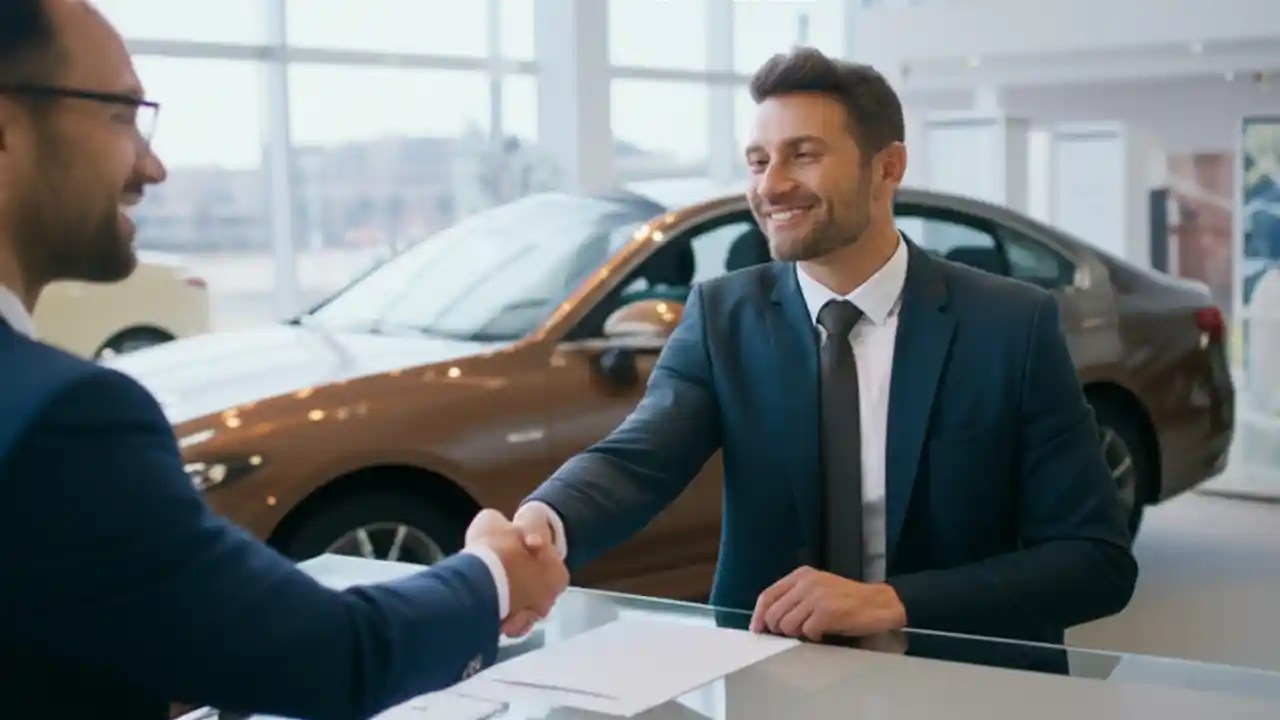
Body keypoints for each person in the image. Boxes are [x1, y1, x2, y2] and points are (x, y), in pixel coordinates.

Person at [0, 2, 568, 718]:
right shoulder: (65, 417)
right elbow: (333, 658)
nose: (152, 164)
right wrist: (497, 576)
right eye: (120, 114)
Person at [509, 47, 1137, 646]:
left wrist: (893, 602)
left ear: (887, 167)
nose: (771, 185)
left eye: (802, 155)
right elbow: (635, 461)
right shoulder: (723, 316)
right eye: (758, 161)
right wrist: (542, 525)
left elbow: (1095, 561)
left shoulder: (1011, 327)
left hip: (954, 687)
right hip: (768, 680)